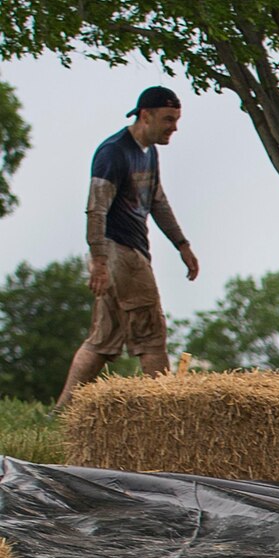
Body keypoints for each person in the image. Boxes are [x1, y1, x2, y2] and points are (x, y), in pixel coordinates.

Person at [55, 86, 201, 408]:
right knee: (151, 337)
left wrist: (182, 244)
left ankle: (60, 414)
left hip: (123, 256)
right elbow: (96, 209)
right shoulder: (113, 152)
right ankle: (165, 414)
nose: (174, 127)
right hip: (121, 253)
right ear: (145, 115)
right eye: (168, 120)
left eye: (176, 120)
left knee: (101, 342)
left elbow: (157, 200)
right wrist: (100, 262)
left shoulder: (149, 152)